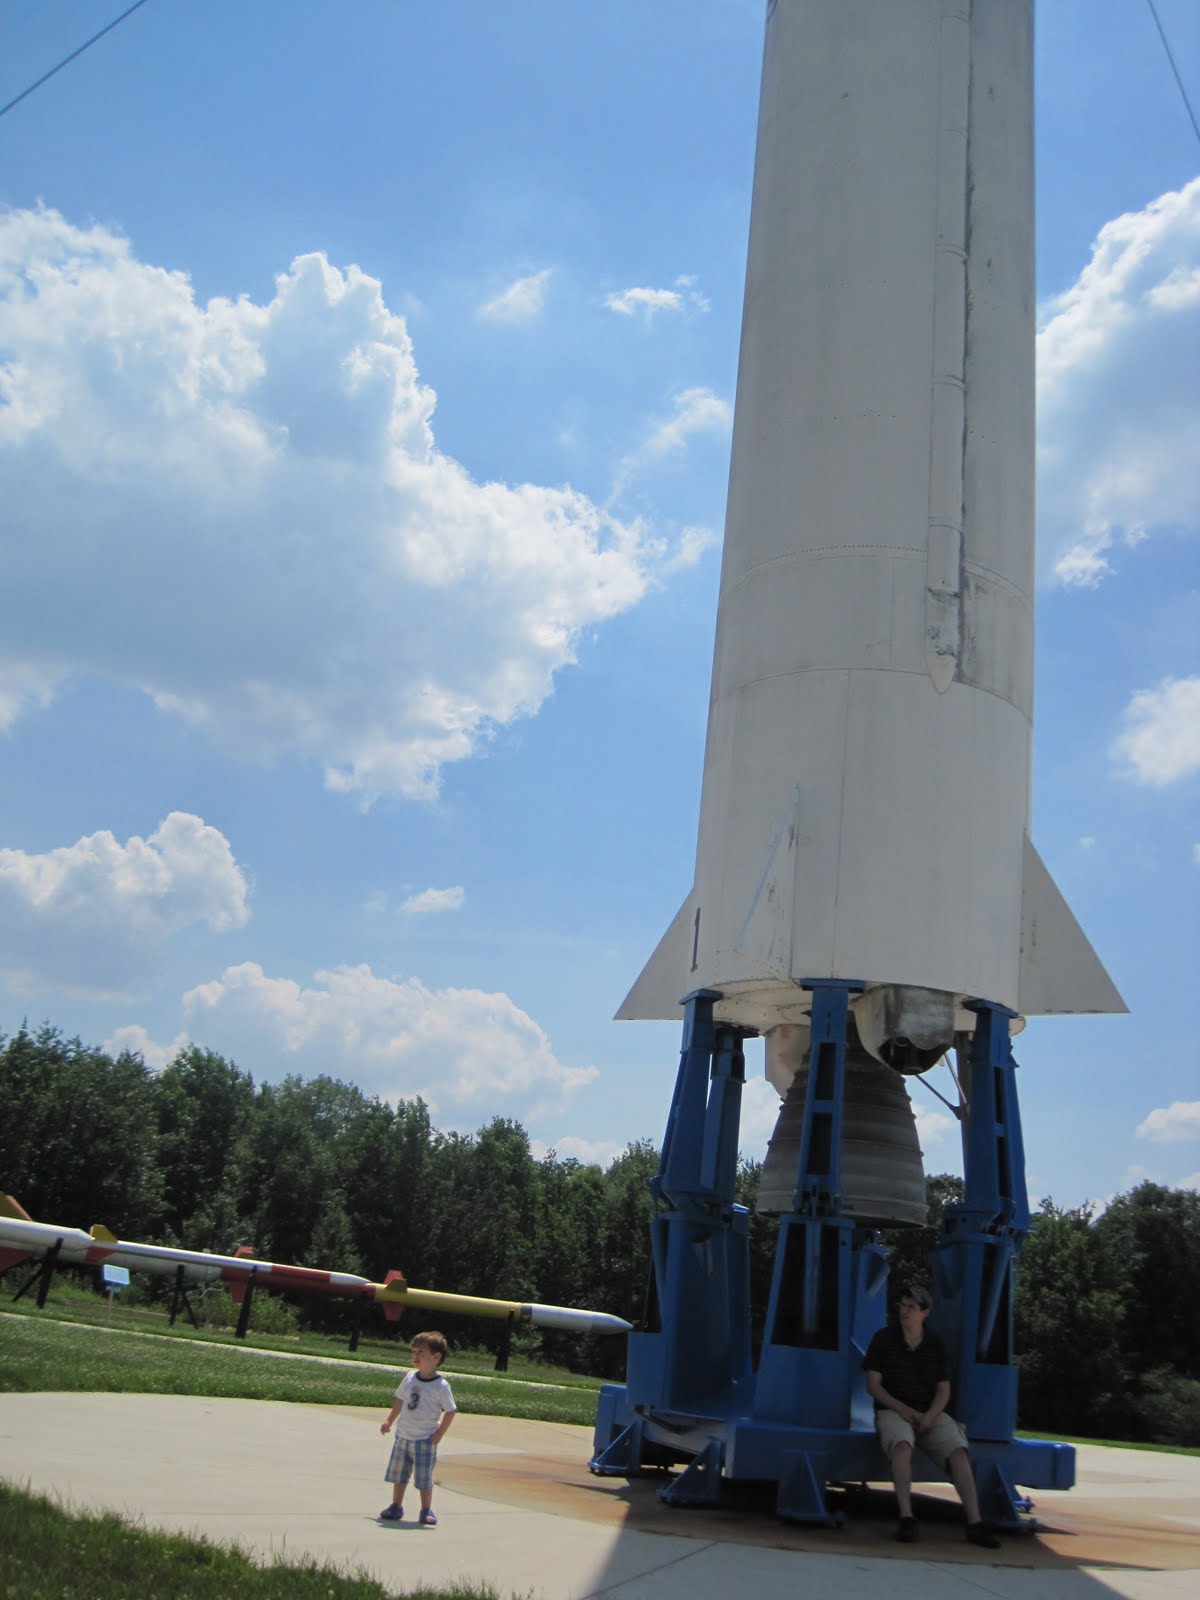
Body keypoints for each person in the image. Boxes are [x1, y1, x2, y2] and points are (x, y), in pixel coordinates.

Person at [862, 1284, 1000, 1548]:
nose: (904, 1311)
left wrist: (930, 1416)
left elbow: (944, 1390)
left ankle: (975, 1523)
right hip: (893, 1411)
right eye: (902, 1306)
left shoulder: (935, 1344)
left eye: (911, 1307)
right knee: (902, 1446)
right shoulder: (883, 1339)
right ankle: (906, 1518)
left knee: (959, 1450)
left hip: (929, 1412)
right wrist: (904, 1410)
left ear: (925, 1312)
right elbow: (873, 1386)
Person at [379, 1330, 456, 1526]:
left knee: (423, 1478)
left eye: (421, 1352)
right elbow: (400, 1400)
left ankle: (426, 1510)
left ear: (436, 1357)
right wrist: (389, 1420)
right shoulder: (410, 1377)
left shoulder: (441, 1386)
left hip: (425, 1440)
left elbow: (450, 1411)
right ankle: (396, 1506)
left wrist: (439, 1433)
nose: (415, 1356)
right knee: (400, 1475)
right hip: (403, 1436)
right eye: (413, 1351)